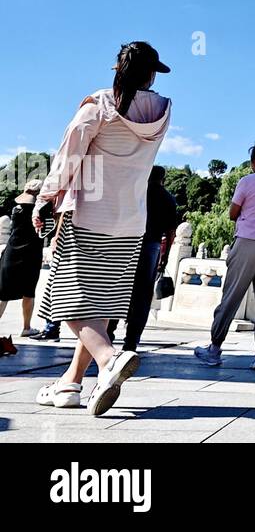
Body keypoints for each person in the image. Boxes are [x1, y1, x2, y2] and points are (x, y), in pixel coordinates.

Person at [32, 41, 172, 415]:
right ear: (152, 73)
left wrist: (47, 197)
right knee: (101, 304)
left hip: (89, 212)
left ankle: (109, 359)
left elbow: (69, 155)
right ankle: (70, 385)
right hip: (131, 220)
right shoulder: (162, 111)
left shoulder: (99, 104)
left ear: (117, 69)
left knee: (70, 301)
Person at [195, 141, 255, 371]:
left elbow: (232, 213)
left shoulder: (247, 181)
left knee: (231, 297)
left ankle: (215, 349)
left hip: (248, 243)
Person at [107, 166, 180, 352]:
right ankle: (131, 341)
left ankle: (108, 332)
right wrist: (166, 256)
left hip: (129, 243)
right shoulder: (168, 198)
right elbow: (171, 233)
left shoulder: (136, 193)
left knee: (119, 289)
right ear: (163, 179)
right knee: (142, 296)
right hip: (152, 247)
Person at [0, 178, 47, 344]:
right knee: (29, 292)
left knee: (3, 292)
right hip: (31, 253)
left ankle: (26, 327)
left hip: (11, 251)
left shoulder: (15, 206)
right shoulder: (41, 209)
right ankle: (26, 328)